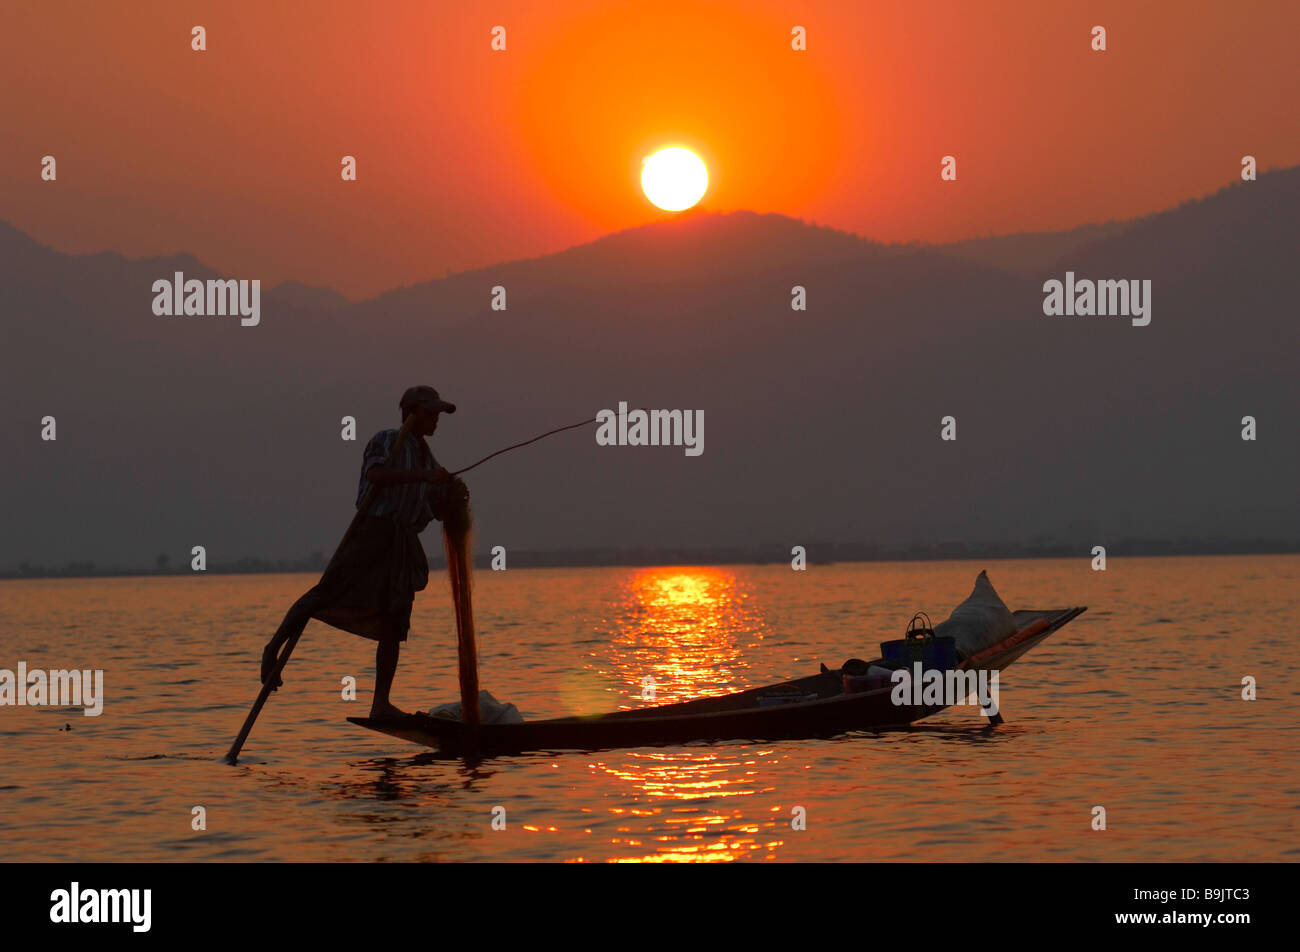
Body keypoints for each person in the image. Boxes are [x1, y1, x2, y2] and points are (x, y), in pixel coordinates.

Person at [259, 386, 468, 718]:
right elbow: (376, 475)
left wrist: (450, 495)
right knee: (326, 593)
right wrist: (422, 476)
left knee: (394, 622)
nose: (436, 421)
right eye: (431, 413)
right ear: (412, 413)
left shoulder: (428, 457)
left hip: (401, 541)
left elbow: (432, 507)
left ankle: (380, 704)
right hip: (373, 531)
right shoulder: (387, 440)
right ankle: (272, 649)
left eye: (438, 415)